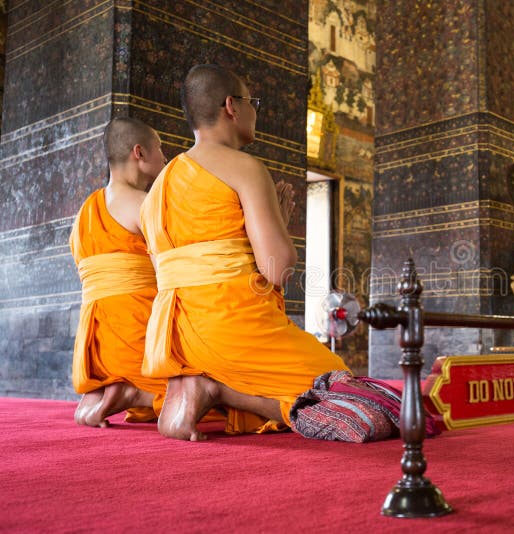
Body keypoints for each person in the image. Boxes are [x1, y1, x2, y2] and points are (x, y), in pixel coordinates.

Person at [140, 64, 358, 441]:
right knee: (346, 393)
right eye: (252, 101)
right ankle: (219, 390)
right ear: (231, 106)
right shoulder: (243, 168)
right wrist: (282, 226)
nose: (255, 110)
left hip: (175, 337)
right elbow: (277, 269)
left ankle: (206, 385)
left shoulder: (158, 187)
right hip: (232, 327)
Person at [70, 116, 168, 427]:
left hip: (95, 348)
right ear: (139, 153)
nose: (165, 158)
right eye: (160, 149)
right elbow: (168, 275)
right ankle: (134, 393)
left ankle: (106, 390)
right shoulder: (145, 204)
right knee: (207, 392)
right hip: (137, 336)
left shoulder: (85, 211)